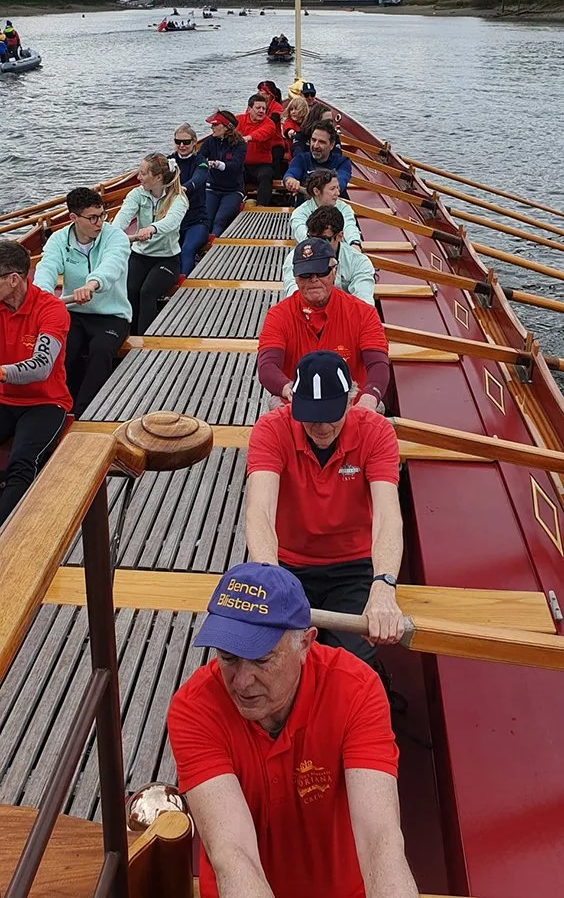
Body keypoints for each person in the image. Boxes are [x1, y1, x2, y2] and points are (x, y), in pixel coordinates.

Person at [167, 562, 418, 898]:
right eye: (229, 657)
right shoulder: (194, 709)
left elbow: (381, 841)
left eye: (262, 659)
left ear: (305, 643)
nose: (242, 682)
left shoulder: (357, 690)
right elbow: (232, 853)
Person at [246, 351, 404, 666]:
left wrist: (384, 585)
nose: (320, 427)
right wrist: (272, 578)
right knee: (273, 657)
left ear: (350, 402)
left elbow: (388, 516)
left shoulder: (377, 432)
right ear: (293, 405)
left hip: (353, 568)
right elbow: (259, 511)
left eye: (331, 414)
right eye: (311, 415)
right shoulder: (270, 430)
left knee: (352, 663)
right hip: (287, 566)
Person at [258, 237, 390, 409]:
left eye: (321, 272)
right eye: (305, 274)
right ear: (296, 278)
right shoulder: (278, 315)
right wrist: (286, 389)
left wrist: (370, 398)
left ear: (334, 272)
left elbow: (378, 364)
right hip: (297, 404)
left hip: (352, 407)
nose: (314, 279)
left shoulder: (364, 313)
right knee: (276, 404)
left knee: (376, 407)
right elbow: (267, 366)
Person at [33, 188, 131, 417]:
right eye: (93, 217)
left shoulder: (114, 236)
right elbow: (47, 268)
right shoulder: (59, 239)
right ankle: (58, 407)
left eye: (102, 215)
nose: (100, 222)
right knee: (63, 350)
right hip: (74, 312)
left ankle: (84, 413)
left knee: (100, 351)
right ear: (73, 219)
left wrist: (92, 284)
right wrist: (42, 297)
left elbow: (112, 264)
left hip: (112, 315)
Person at [0, 240, 72, 527]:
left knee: (22, 462)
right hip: (4, 398)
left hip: (45, 402)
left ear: (13, 279)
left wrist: (2, 373)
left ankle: (6, 533)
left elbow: (41, 367)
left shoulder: (51, 310)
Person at [113, 154, 188, 334]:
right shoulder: (137, 194)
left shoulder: (179, 198)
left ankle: (144, 340)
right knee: (129, 290)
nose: (138, 178)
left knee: (147, 292)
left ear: (158, 177)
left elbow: (172, 222)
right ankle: (127, 337)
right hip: (139, 255)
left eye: (143, 174)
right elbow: (123, 217)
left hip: (167, 259)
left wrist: (151, 229)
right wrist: (112, 233)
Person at [283, 208, 375, 305]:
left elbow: (364, 304)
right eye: (312, 238)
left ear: (339, 236)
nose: (317, 244)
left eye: (323, 240)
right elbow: (293, 295)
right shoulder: (295, 258)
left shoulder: (359, 262)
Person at [199, 110, 247, 236]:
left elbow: (235, 166)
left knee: (220, 220)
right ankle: (202, 246)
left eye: (215, 125)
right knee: (206, 220)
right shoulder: (210, 141)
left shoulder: (240, 144)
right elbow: (199, 158)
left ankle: (212, 247)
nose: (212, 128)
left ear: (227, 127)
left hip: (233, 190)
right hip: (212, 188)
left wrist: (217, 164)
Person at [171, 125, 210, 276]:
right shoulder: (169, 162)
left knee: (187, 249)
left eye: (186, 142)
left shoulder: (200, 162)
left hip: (196, 220)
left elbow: (199, 178)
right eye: (178, 141)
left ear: (194, 142)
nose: (182, 145)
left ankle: (181, 285)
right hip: (174, 219)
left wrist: (184, 189)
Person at [290, 168, 362, 245]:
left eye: (337, 188)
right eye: (332, 189)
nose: (337, 193)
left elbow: (349, 227)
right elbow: (303, 236)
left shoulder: (344, 208)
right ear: (316, 191)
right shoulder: (299, 213)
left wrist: (354, 243)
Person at [284, 120, 352, 196]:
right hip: (306, 204)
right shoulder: (300, 159)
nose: (315, 146)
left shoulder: (343, 162)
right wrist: (290, 180)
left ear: (332, 145)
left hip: (333, 204)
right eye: (313, 140)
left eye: (321, 142)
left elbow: (340, 182)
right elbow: (291, 173)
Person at [237, 94, 276, 206]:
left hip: (262, 165)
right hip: (243, 164)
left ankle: (261, 207)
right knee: (235, 173)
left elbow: (262, 133)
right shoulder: (239, 120)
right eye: (258, 108)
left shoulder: (270, 124)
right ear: (249, 109)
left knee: (266, 175)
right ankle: (236, 204)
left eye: (264, 108)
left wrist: (247, 138)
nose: (261, 111)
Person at [257, 80, 286, 179]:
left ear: (269, 94)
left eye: (261, 90)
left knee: (276, 157)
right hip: (259, 142)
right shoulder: (254, 106)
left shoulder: (276, 107)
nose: (258, 92)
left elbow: (274, 119)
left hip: (275, 143)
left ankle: (277, 182)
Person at [281, 94, 309, 161]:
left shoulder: (308, 123)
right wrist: (291, 133)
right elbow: (288, 130)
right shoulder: (288, 123)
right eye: (291, 110)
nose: (293, 112)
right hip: (294, 154)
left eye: (296, 109)